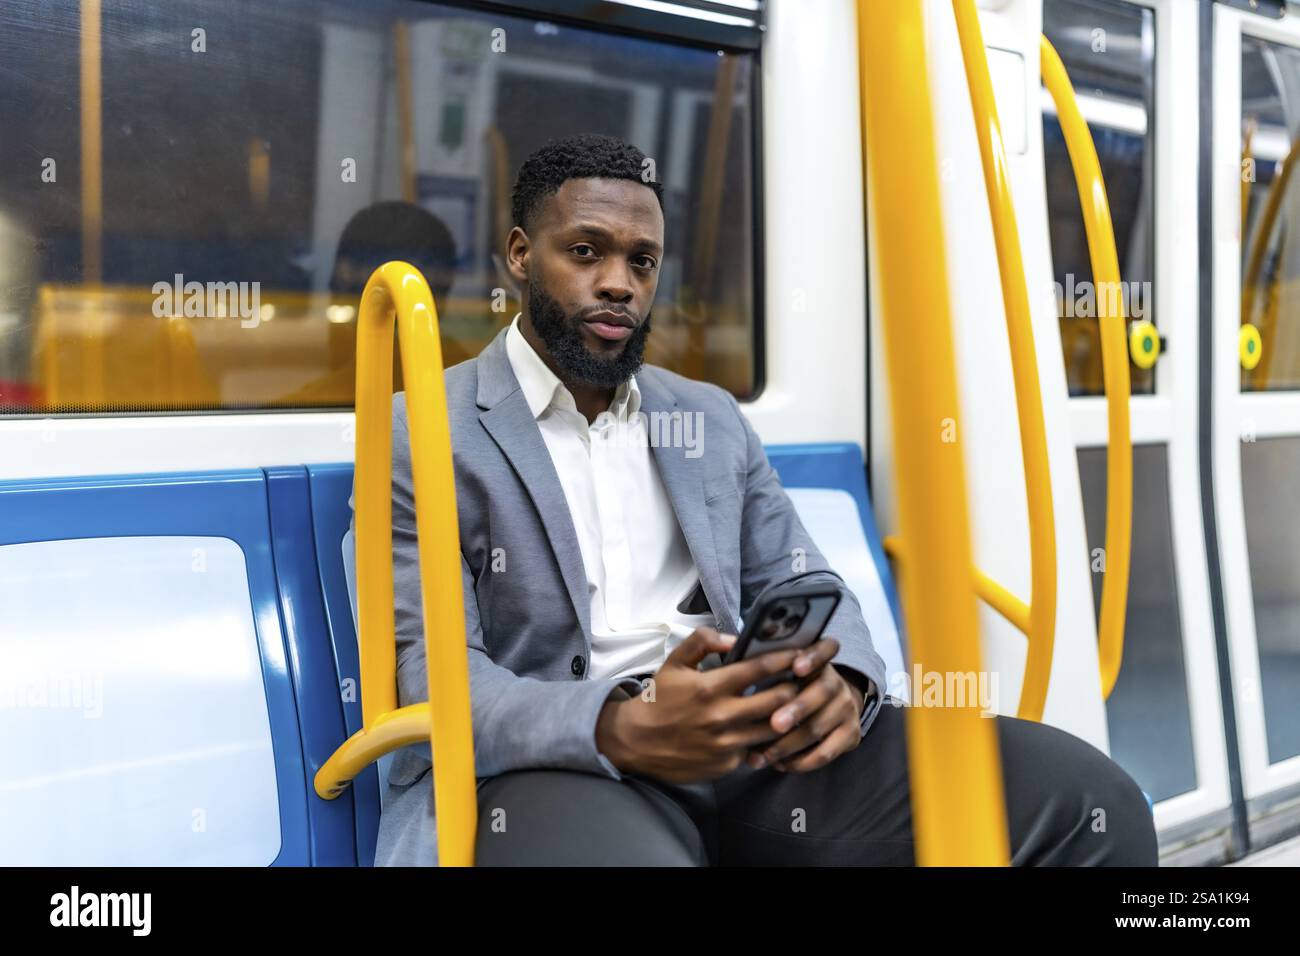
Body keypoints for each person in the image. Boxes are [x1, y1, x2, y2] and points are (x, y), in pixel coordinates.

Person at [352, 133, 1158, 866]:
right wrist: (621, 725)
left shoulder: (704, 419)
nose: (618, 285)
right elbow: (434, 678)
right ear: (522, 256)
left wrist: (842, 683)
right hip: (560, 764)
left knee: (1090, 806)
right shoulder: (425, 430)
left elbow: (807, 584)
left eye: (641, 263)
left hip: (747, 743)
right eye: (586, 252)